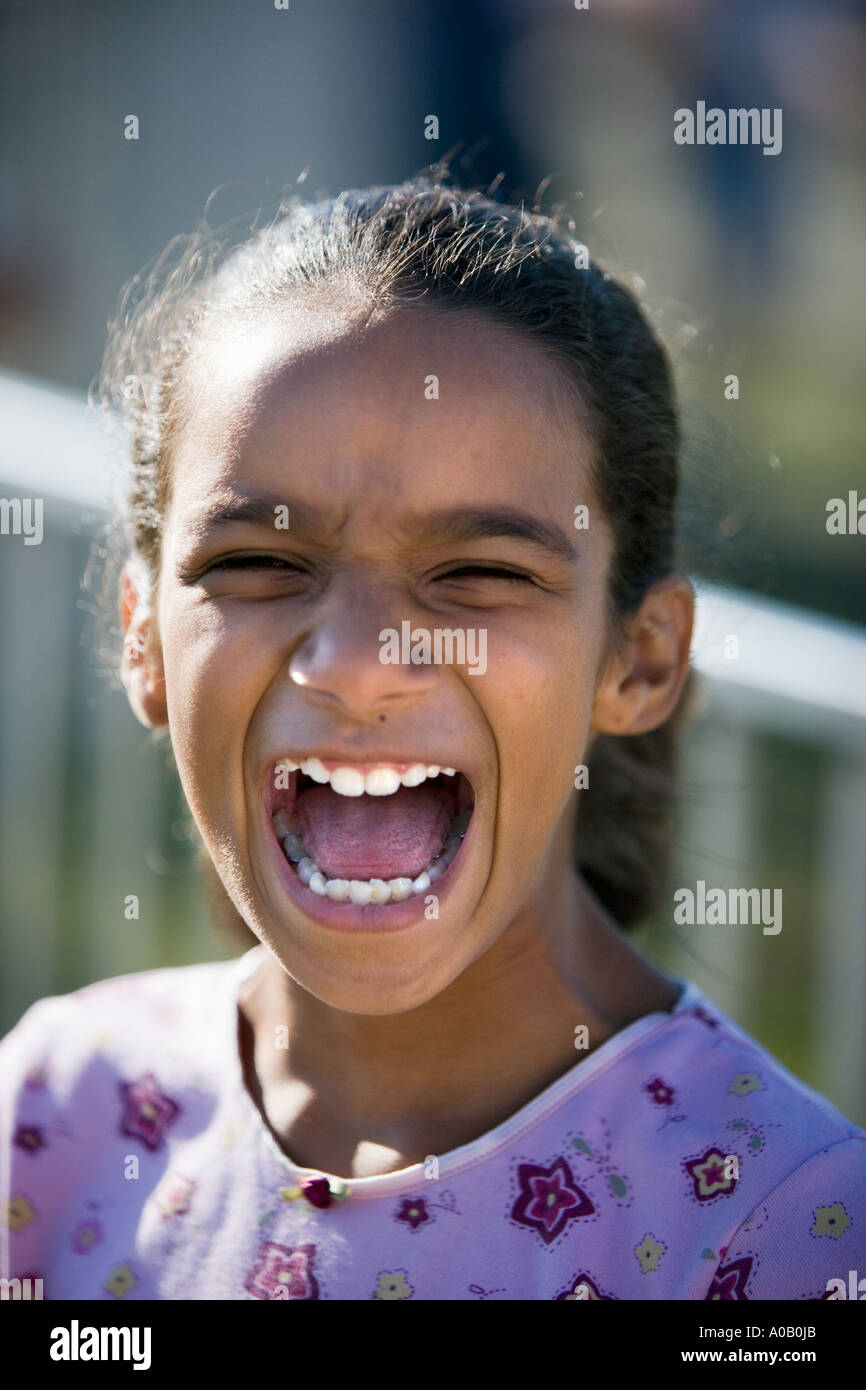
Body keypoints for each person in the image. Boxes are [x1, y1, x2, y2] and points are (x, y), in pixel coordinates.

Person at [2, 177, 863, 1301]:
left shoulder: (785, 1231)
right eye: (257, 564)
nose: (356, 661)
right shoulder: (55, 1116)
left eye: (479, 574)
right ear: (142, 640)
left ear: (638, 658)